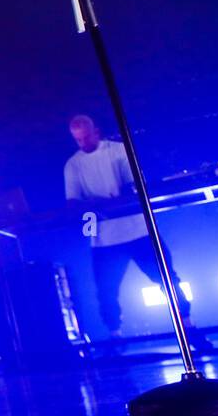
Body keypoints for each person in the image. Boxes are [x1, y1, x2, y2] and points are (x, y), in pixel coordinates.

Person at [63, 115, 210, 349]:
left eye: (86, 137)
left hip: (138, 229)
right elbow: (73, 202)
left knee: (167, 279)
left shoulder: (118, 151)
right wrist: (97, 203)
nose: (83, 144)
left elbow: (131, 188)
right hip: (104, 238)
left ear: (96, 132)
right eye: (78, 140)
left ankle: (188, 327)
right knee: (106, 291)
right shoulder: (73, 165)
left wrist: (99, 202)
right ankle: (116, 338)